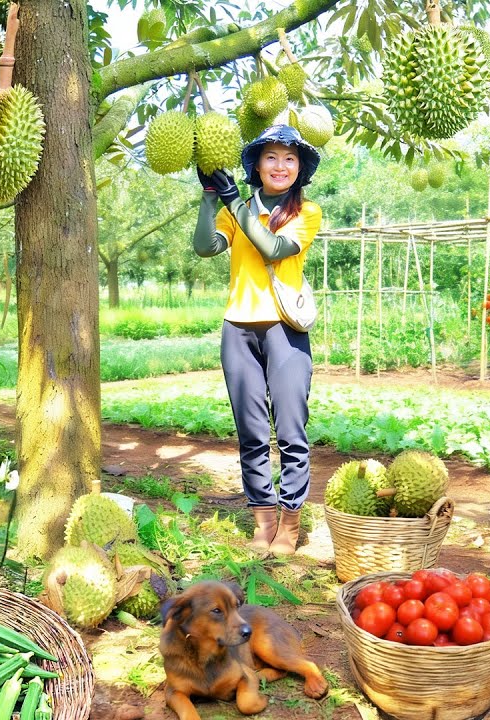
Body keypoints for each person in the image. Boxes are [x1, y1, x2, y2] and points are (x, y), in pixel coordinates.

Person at [192, 124, 322, 556]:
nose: (280, 165)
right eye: (271, 157)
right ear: (257, 165)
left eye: (290, 158)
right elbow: (205, 248)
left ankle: (290, 522)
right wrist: (211, 198)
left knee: (290, 430)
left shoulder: (307, 213)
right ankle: (262, 520)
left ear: (299, 169)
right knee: (250, 431)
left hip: (284, 329)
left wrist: (232, 201)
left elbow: (272, 249)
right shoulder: (237, 207)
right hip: (238, 328)